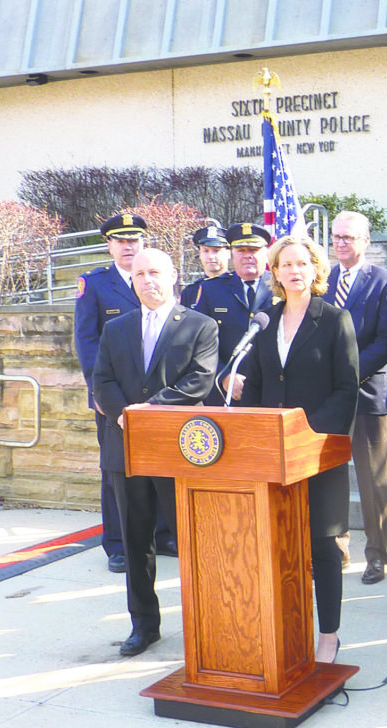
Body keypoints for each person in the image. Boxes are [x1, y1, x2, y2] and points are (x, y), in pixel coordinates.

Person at [91, 248, 218, 656]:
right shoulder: (117, 328)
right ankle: (144, 625)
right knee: (136, 540)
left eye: (156, 272)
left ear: (174, 275)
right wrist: (124, 414)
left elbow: (200, 380)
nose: (148, 280)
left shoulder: (200, 325)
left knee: (188, 539)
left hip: (177, 448)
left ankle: (204, 623)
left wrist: (151, 411)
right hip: (125, 445)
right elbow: (102, 379)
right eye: (140, 273)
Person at [238, 235, 359, 664]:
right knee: (277, 547)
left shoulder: (334, 320)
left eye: (301, 264)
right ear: (274, 273)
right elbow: (253, 385)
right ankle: (284, 629)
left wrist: (305, 436)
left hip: (317, 455)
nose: (293, 271)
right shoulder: (264, 321)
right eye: (285, 264)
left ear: (315, 271)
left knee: (323, 548)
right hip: (271, 457)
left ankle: (328, 636)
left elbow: (346, 389)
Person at [74, 213, 174, 573]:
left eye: (135, 239)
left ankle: (162, 534)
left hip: (156, 397)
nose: (129, 245)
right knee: (116, 470)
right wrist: (101, 394)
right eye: (121, 240)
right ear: (109, 245)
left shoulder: (155, 278)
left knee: (161, 464)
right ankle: (117, 544)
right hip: (113, 397)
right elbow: (87, 343)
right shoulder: (96, 285)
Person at [323, 211, 387, 585]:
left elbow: (386, 341)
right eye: (337, 237)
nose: (341, 243)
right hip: (328, 400)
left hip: (368, 395)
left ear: (366, 241)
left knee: (373, 481)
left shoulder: (386, 282)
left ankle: (377, 555)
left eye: (349, 237)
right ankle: (338, 549)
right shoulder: (324, 280)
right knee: (332, 476)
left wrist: (348, 375)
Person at [191, 222, 273, 405]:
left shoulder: (281, 288)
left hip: (272, 392)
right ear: (232, 253)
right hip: (225, 393)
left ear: (266, 252)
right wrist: (225, 374)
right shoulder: (211, 290)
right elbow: (198, 344)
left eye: (253, 250)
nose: (247, 256)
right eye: (241, 250)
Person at [179, 225, 229, 308]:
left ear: (229, 253)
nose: (211, 256)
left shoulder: (239, 288)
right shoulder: (190, 292)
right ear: (200, 254)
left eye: (216, 251)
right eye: (205, 251)